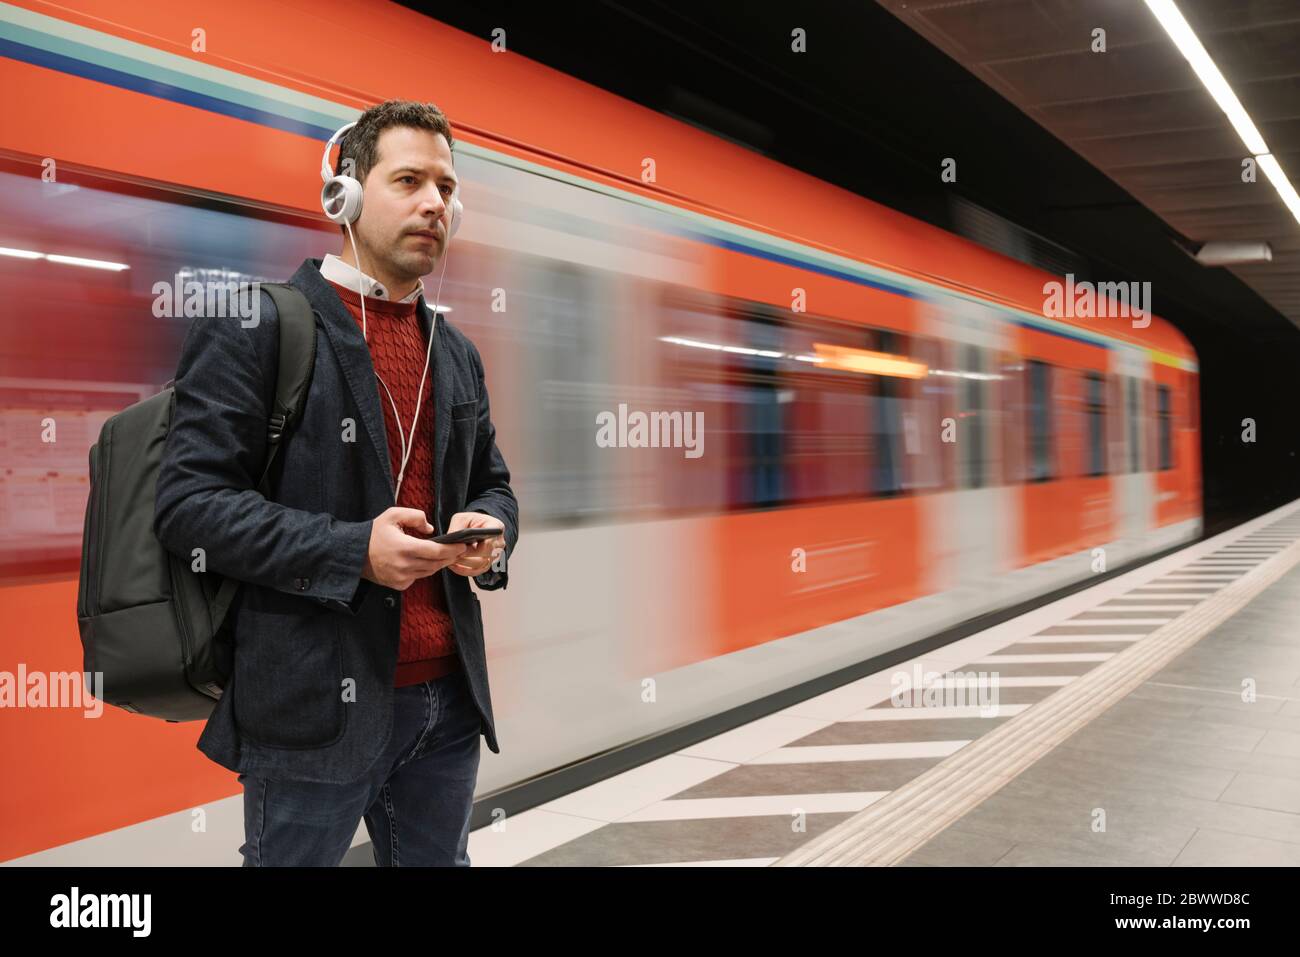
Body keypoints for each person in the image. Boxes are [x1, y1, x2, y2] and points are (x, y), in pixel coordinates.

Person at [154, 99, 518, 866]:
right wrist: (356, 551)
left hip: (446, 702)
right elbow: (189, 508)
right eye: (410, 180)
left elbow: (494, 482)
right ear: (344, 195)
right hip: (313, 705)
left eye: (447, 188)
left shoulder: (455, 353)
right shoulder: (260, 326)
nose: (434, 204)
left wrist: (492, 530)